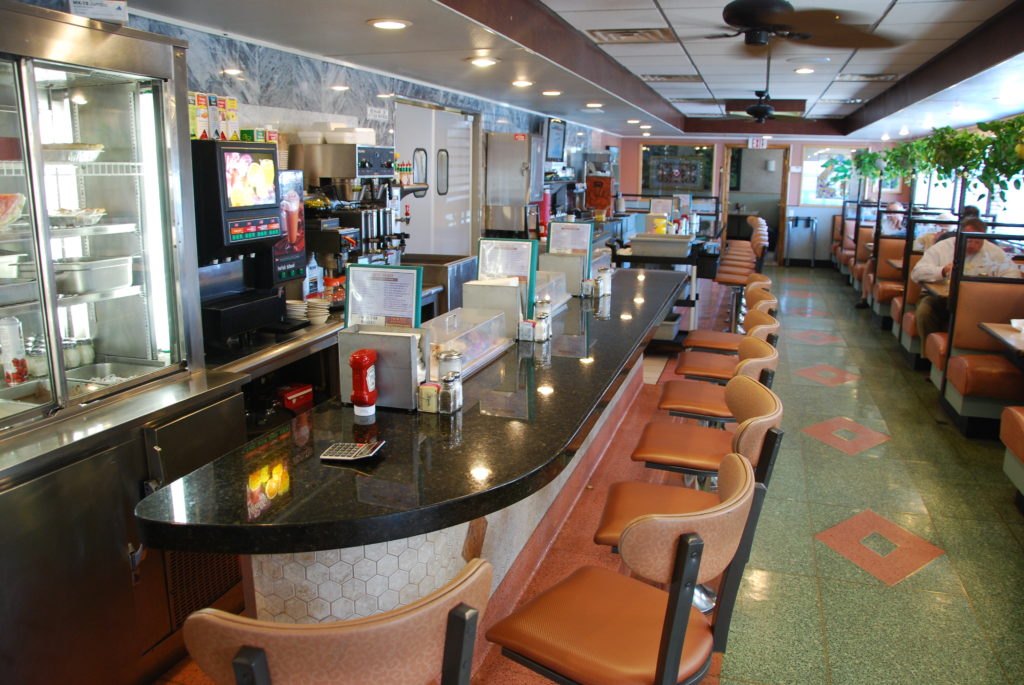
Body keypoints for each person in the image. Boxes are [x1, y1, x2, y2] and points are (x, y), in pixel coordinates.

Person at [910, 217, 1021, 343]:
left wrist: (993, 286)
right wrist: (943, 270)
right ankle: (929, 355)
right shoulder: (942, 248)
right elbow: (916, 273)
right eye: (970, 240)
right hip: (939, 299)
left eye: (978, 242)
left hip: (978, 302)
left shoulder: (994, 252)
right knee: (925, 312)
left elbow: (1013, 276)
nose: (973, 245)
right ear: (959, 236)